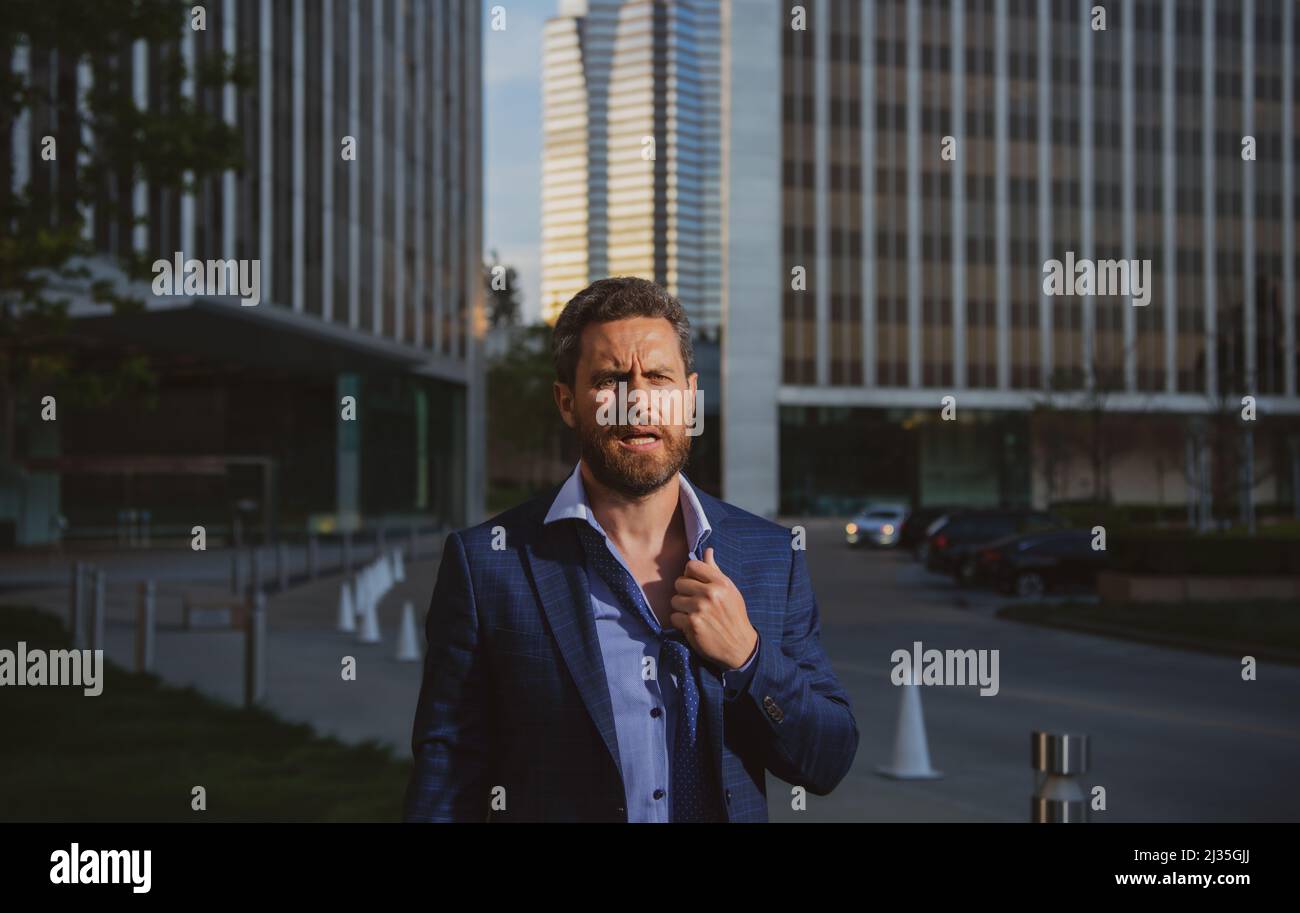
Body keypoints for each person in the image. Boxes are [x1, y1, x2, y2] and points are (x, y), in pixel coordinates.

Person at [403, 276, 858, 822]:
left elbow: (827, 760)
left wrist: (748, 659)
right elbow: (446, 780)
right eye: (612, 379)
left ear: (689, 396)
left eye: (659, 378)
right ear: (567, 402)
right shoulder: (488, 566)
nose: (637, 402)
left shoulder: (770, 556)